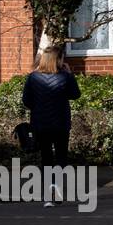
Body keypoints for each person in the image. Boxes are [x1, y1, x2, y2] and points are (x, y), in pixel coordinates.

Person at [21, 43, 80, 207]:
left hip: (41, 124)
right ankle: (57, 191)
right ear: (59, 59)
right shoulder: (65, 76)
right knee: (61, 157)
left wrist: (39, 106)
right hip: (61, 124)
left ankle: (49, 196)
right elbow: (75, 95)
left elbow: (26, 101)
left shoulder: (33, 78)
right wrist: (70, 73)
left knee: (46, 158)